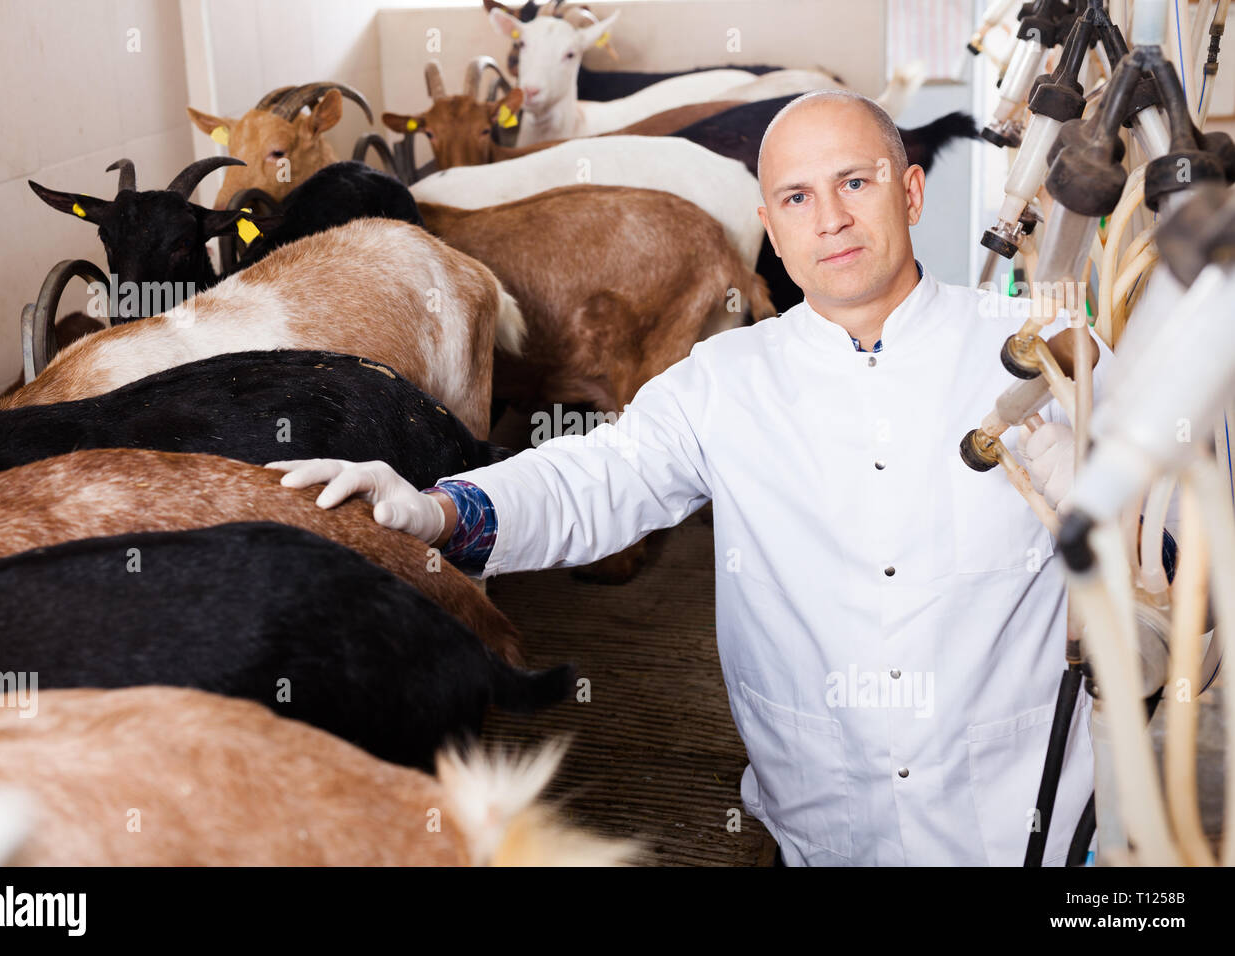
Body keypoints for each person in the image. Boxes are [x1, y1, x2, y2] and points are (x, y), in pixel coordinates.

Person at [267, 90, 1112, 866]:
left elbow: (1185, 561)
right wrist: (443, 510)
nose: (831, 220)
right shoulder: (727, 377)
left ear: (913, 193)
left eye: (856, 182)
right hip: (820, 825)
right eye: (797, 198)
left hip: (1025, 820)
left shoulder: (1043, 354)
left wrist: (1113, 499)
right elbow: (597, 476)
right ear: (772, 232)